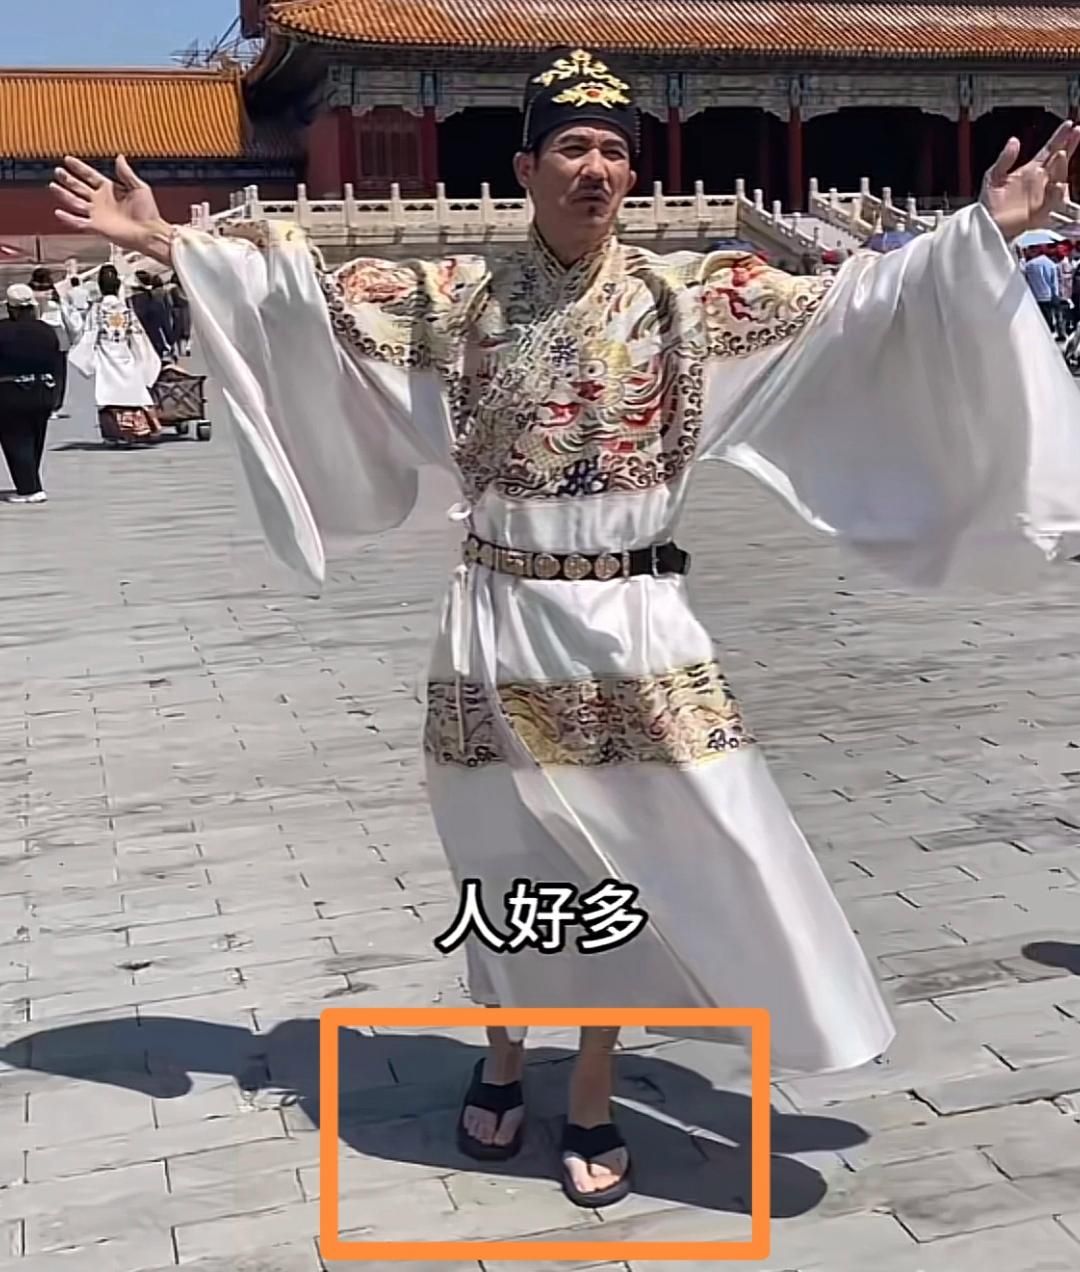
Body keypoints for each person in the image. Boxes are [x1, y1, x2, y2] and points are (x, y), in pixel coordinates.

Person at [52, 58, 1080, 1207]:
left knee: (656, 847)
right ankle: (502, 1050)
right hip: (495, 615)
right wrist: (161, 244)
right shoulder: (454, 298)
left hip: (640, 624)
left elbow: (862, 298)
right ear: (526, 166)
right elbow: (295, 299)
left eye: (615, 151)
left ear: (632, 174)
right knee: (507, 852)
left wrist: (982, 228)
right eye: (573, 148)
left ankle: (591, 1081)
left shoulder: (691, 299)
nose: (597, 168)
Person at [69, 263, 161, 446]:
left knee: (109, 396)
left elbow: (89, 333)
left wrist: (84, 355)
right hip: (125, 354)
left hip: (106, 354)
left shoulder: (97, 309)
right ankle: (137, 429)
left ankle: (114, 432)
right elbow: (136, 334)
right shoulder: (125, 309)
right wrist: (145, 356)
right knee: (133, 392)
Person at [0, 284, 62, 504]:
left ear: (10, 307)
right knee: (35, 439)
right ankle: (31, 480)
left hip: (11, 392)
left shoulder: (3, 330)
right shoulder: (46, 330)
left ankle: (29, 488)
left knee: (16, 440)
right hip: (43, 391)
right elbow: (57, 361)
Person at [28, 266, 81, 417]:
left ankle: (39, 402)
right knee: (58, 375)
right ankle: (54, 405)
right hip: (57, 337)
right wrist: (73, 337)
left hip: (36, 336)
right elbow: (67, 317)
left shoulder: (31, 295)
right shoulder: (54, 296)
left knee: (39, 372)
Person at [130, 269, 173, 361]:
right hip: (155, 344)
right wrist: (170, 340)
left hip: (137, 348)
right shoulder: (155, 302)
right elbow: (165, 324)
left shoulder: (129, 304)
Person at [1023, 243, 1061, 331]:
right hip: (1049, 294)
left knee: (1042, 318)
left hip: (1035, 296)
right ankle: (1054, 331)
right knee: (1052, 315)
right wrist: (1055, 294)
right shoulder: (1050, 263)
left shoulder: (1028, 265)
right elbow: (1054, 281)